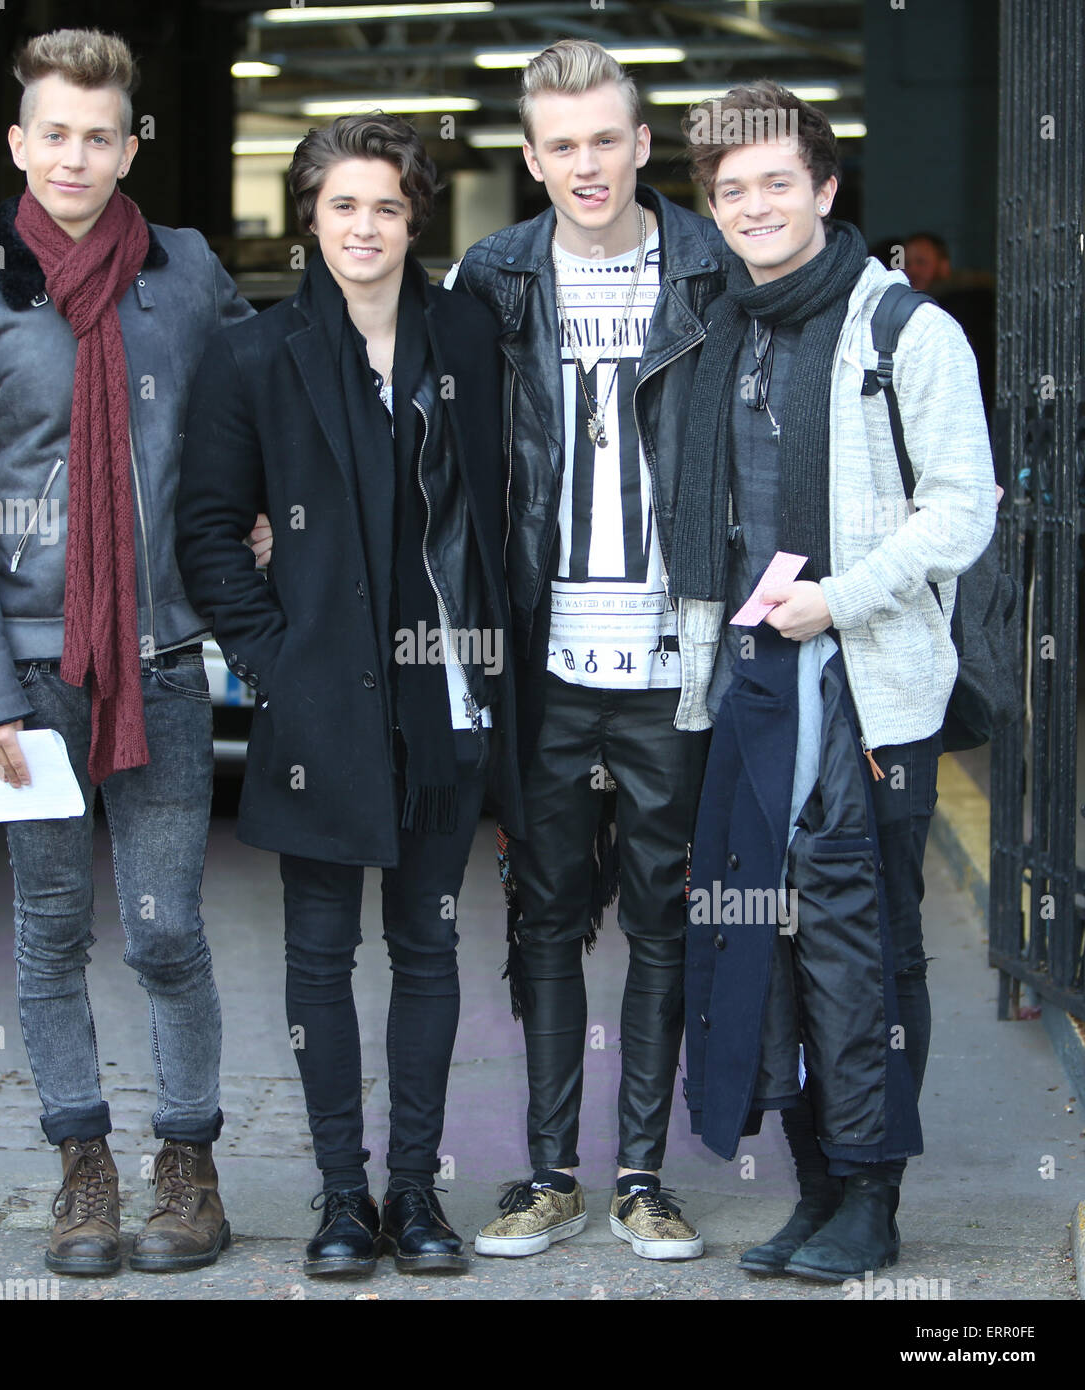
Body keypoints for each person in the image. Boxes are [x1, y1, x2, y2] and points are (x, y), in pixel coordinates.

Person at [0, 27, 258, 1276]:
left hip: (158, 659)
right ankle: (82, 1172)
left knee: (164, 932)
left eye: (100, 135)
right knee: (51, 928)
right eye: (54, 132)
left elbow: (255, 406)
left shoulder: (190, 276)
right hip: (27, 677)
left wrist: (257, 511)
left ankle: (190, 1169)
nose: (76, 155)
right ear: (19, 142)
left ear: (130, 145)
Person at [175, 113, 522, 1278]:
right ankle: (339, 1200)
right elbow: (210, 531)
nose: (364, 227)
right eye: (341, 206)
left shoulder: (470, 334)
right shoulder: (256, 354)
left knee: (426, 949)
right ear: (310, 220)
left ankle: (414, 1193)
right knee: (319, 959)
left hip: (443, 703)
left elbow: (507, 506)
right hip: (314, 707)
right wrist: (275, 663)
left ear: (414, 216)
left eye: (385, 205)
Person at [672, 80, 996, 1281]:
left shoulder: (906, 331)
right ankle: (813, 1189)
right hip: (753, 680)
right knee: (763, 936)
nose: (755, 204)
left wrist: (837, 598)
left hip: (866, 683)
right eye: (732, 187)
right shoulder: (721, 327)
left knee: (862, 941)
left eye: (776, 181)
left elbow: (963, 510)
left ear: (824, 186)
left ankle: (874, 1193)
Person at [447, 39, 726, 1261]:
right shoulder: (491, 277)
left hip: (677, 656)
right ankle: (550, 1174)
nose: (585, 164)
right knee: (546, 917)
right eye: (560, 145)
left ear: (642, 143)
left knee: (665, 916)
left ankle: (646, 1179)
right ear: (531, 158)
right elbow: (442, 465)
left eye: (604, 138)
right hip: (544, 659)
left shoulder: (714, 270)